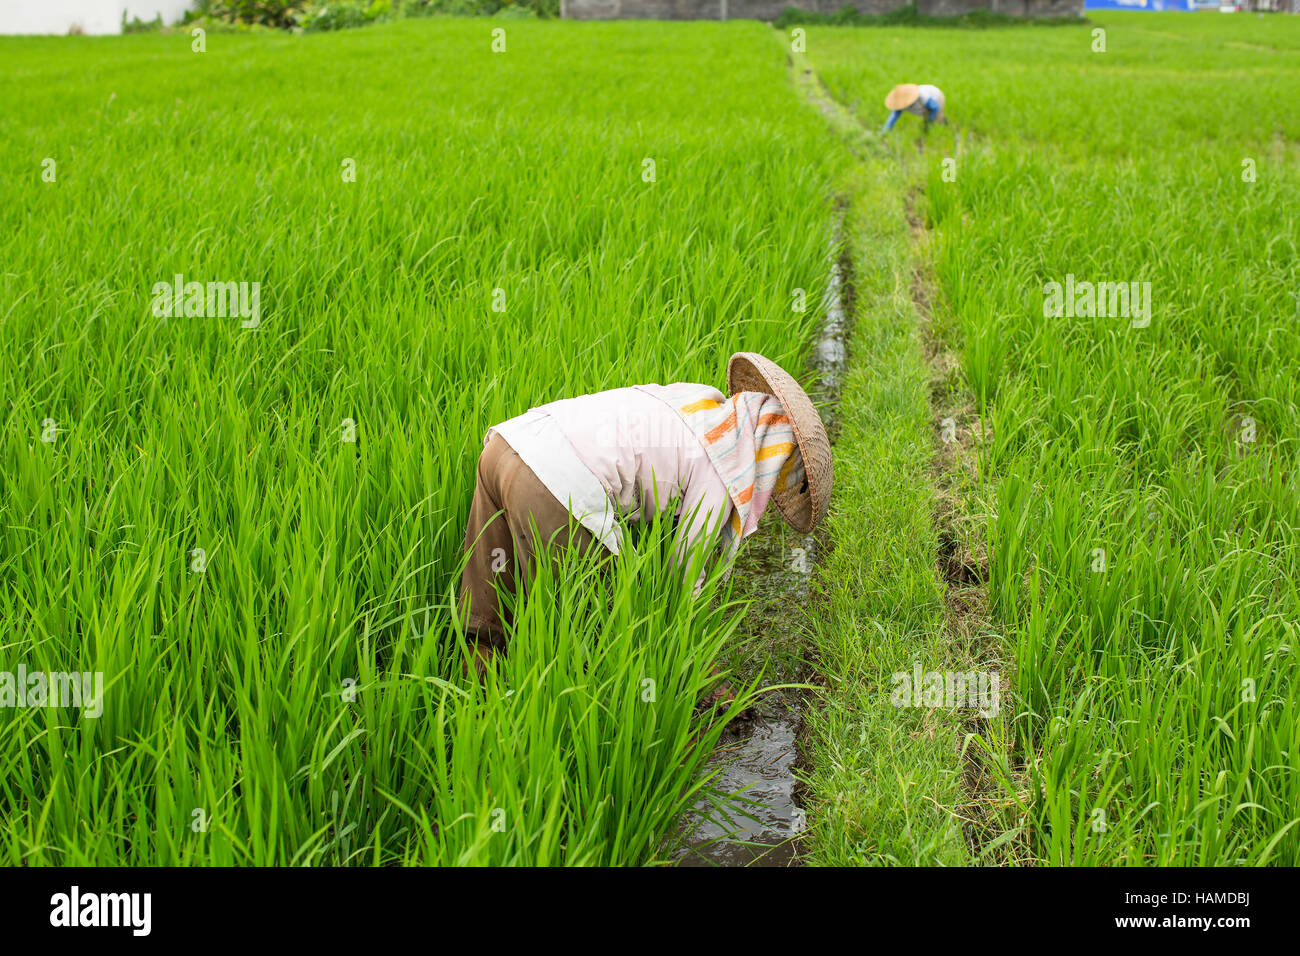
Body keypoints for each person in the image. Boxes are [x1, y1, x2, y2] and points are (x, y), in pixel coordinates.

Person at [458, 351, 833, 658]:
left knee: (486, 615)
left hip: (508, 444)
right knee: (599, 634)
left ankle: (473, 710)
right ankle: (584, 731)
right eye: (779, 466)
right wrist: (687, 655)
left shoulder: (696, 406)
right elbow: (683, 571)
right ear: (768, 449)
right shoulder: (723, 465)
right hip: (554, 481)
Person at [881, 83, 945, 135]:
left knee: (936, 119)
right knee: (925, 117)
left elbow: (935, 107)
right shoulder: (900, 103)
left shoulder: (921, 96)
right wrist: (885, 132)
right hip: (924, 105)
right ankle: (926, 132)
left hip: (936, 97)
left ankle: (944, 124)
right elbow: (894, 116)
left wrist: (929, 122)